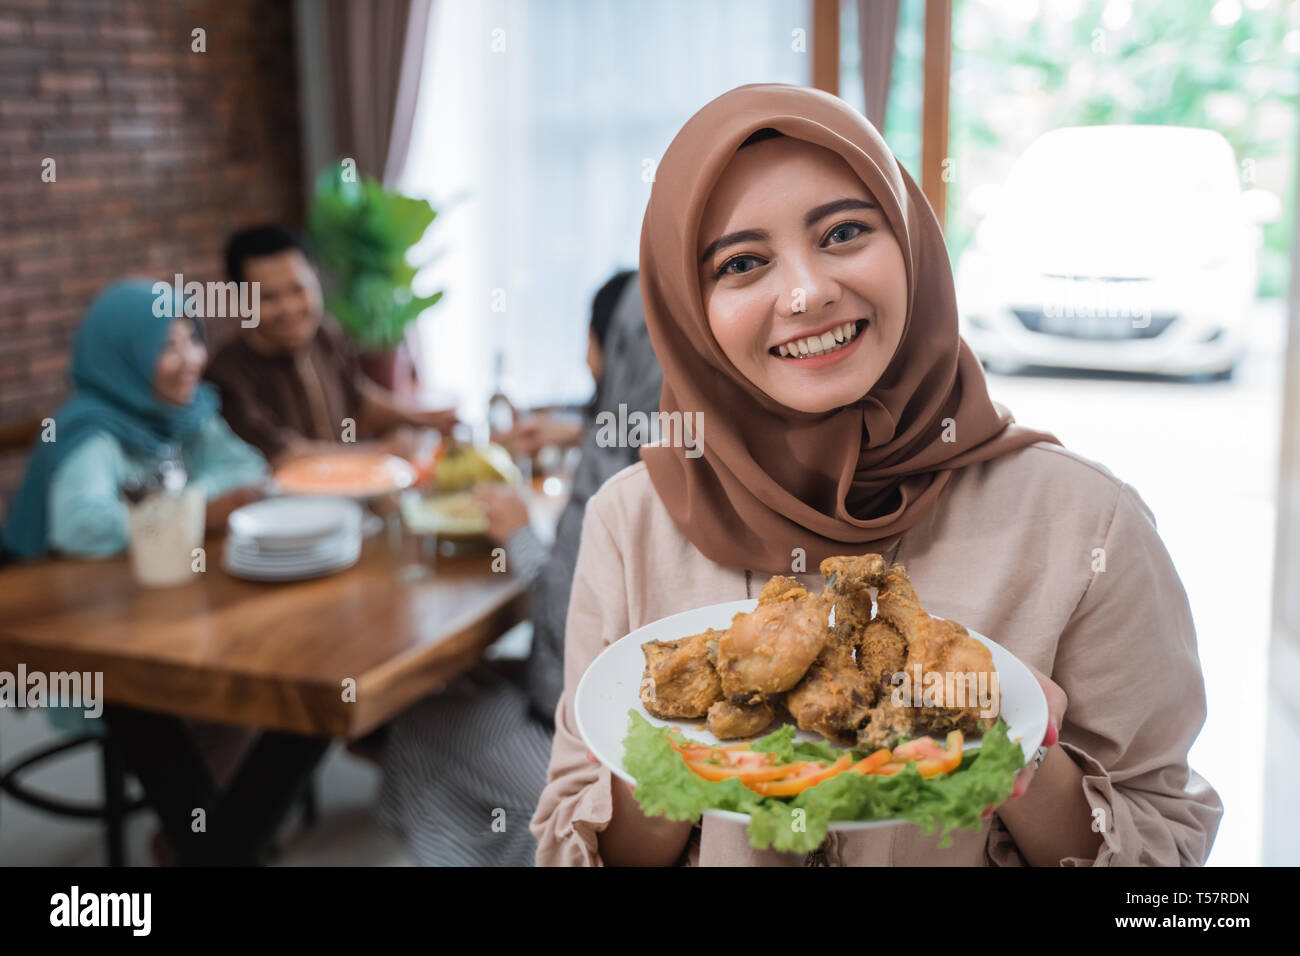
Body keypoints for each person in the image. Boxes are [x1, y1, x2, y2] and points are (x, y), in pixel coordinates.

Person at [530, 85, 1223, 866]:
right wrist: (669, 747)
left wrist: (1021, 749)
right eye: (743, 262)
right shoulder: (633, 521)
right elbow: (568, 844)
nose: (807, 291)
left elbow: (1169, 866)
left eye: (845, 231)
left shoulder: (1089, 523)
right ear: (687, 310)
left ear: (911, 243)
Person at [374, 270, 662, 865]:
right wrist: (578, 430)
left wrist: (521, 537)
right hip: (653, 744)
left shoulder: (614, 488)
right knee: (470, 685)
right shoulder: (686, 451)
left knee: (418, 721)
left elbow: (567, 621)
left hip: (611, 774)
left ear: (603, 345)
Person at [1, 279, 267, 562]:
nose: (190, 359)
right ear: (125, 356)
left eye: (192, 339)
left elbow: (248, 467)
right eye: (167, 346)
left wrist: (190, 502)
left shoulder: (185, 410)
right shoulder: (90, 432)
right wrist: (195, 511)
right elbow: (81, 529)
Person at [204, 225, 458, 468]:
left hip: (348, 489)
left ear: (314, 279)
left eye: (298, 289)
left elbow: (356, 396)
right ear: (239, 299)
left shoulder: (324, 334)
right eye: (269, 297)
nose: (289, 308)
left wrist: (426, 419)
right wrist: (381, 452)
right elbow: (282, 456)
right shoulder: (226, 373)